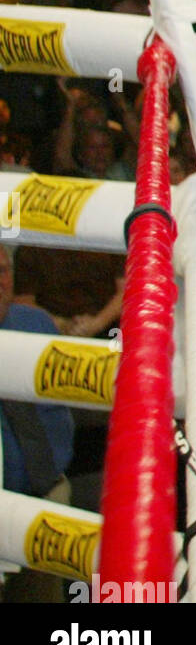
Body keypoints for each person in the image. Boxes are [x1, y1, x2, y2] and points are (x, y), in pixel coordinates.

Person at [0, 244, 76, 602]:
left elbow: (62, 415)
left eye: (3, 271)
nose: (0, 282)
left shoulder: (36, 323)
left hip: (47, 498)